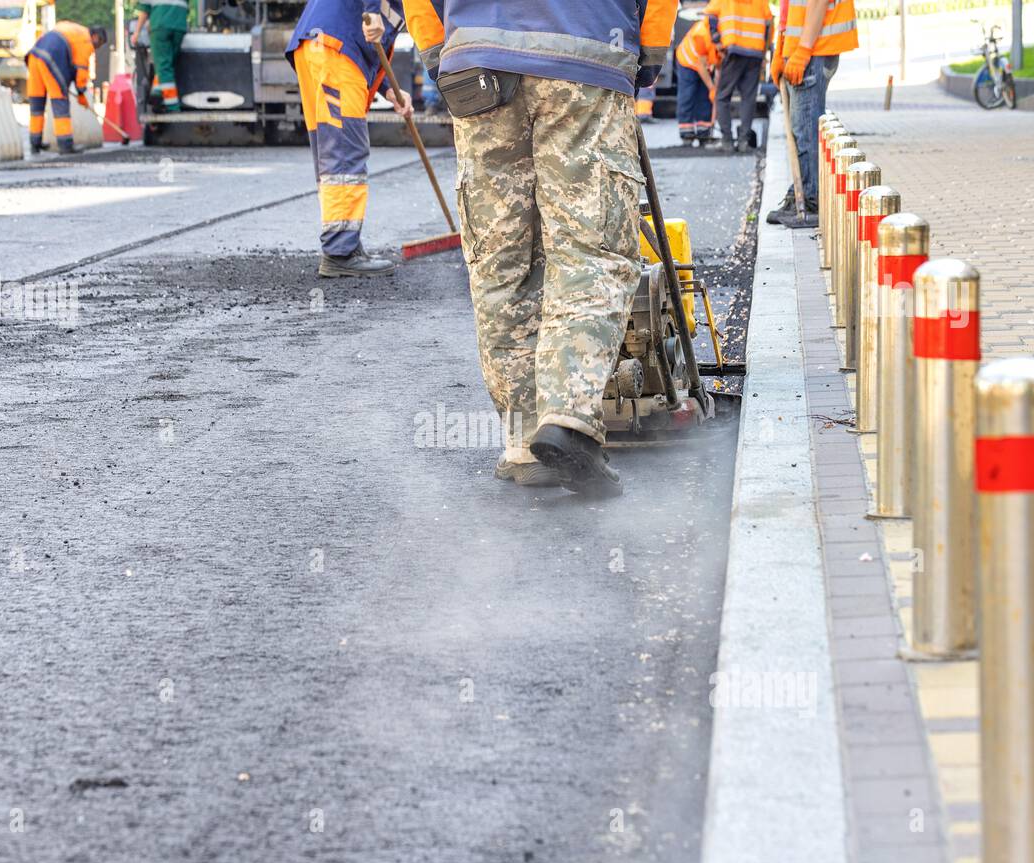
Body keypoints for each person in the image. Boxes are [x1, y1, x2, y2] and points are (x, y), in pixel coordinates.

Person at [403, 0, 680, 496]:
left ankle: (523, 441)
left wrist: (437, 51)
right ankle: (568, 417)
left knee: (501, 260)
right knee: (589, 249)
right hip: (586, 53)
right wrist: (651, 53)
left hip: (477, 61)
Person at [285, 1, 414, 278]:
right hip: (334, 49)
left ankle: (344, 243)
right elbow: (369, 23)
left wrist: (390, 90)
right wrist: (371, 12)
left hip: (323, 47)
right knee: (344, 151)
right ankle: (340, 251)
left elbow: (370, 45)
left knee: (333, 151)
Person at [769, 0, 857, 226]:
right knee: (801, 127)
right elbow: (790, 10)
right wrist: (780, 51)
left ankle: (810, 199)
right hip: (803, 50)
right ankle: (802, 192)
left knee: (806, 128)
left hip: (813, 50)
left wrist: (803, 51)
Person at [26, 22, 108, 155]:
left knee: (37, 104)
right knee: (60, 101)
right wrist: (81, 93)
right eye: (99, 44)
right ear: (96, 37)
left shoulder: (75, 30)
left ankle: (35, 144)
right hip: (51, 59)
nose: (97, 48)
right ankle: (65, 145)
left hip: (35, 55)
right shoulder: (86, 41)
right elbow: (81, 69)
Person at [715, 0, 772, 152]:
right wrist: (764, 52)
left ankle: (727, 140)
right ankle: (743, 142)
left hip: (734, 51)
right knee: (748, 97)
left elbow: (710, 15)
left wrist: (717, 40)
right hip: (755, 53)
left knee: (723, 96)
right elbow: (769, 24)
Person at [131, 0, 189, 113]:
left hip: (161, 26)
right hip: (179, 27)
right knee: (168, 63)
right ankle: (156, 95)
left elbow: (144, 10)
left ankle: (172, 106)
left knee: (163, 66)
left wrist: (137, 32)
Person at [675, 17, 719, 147]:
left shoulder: (721, 34)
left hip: (704, 64)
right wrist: (712, 87)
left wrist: (715, 87)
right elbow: (700, 65)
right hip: (687, 61)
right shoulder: (700, 34)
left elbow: (719, 64)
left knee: (704, 96)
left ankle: (704, 131)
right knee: (687, 95)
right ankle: (686, 133)